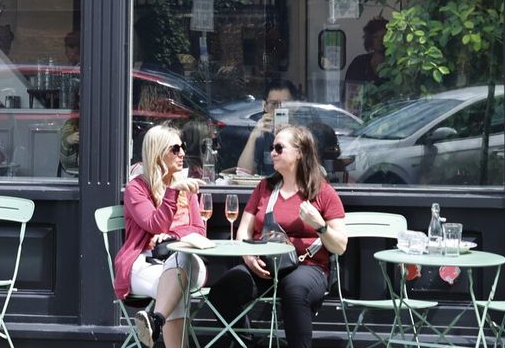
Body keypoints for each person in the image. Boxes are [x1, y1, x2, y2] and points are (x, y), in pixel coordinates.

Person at [206, 125, 348, 348]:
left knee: (295, 290)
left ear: (299, 152)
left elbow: (340, 246)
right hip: (264, 267)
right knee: (222, 291)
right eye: (272, 148)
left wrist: (320, 226)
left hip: (309, 266)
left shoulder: (323, 192)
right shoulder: (265, 187)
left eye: (279, 148)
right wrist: (248, 257)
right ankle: (246, 341)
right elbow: (243, 231)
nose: (272, 152)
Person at [113, 125, 207, 348]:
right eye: (175, 148)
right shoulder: (137, 188)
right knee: (174, 289)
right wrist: (172, 191)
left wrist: (172, 236)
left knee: (179, 260)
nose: (182, 153)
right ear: (157, 152)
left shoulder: (186, 187)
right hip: (144, 262)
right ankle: (159, 319)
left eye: (182, 147)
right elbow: (155, 224)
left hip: (188, 261)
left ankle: (156, 321)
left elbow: (199, 230)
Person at [234, 79, 299, 175]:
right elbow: (243, 172)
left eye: (284, 104)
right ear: (265, 106)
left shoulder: (303, 135)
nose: (279, 109)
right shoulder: (263, 134)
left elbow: (308, 172)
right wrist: (253, 136)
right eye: (273, 104)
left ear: (295, 106)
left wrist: (290, 138)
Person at [344, 17, 387, 113]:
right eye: (376, 37)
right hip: (363, 119)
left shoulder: (398, 66)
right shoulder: (359, 63)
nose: (380, 40)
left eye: (384, 36)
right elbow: (351, 98)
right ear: (370, 40)